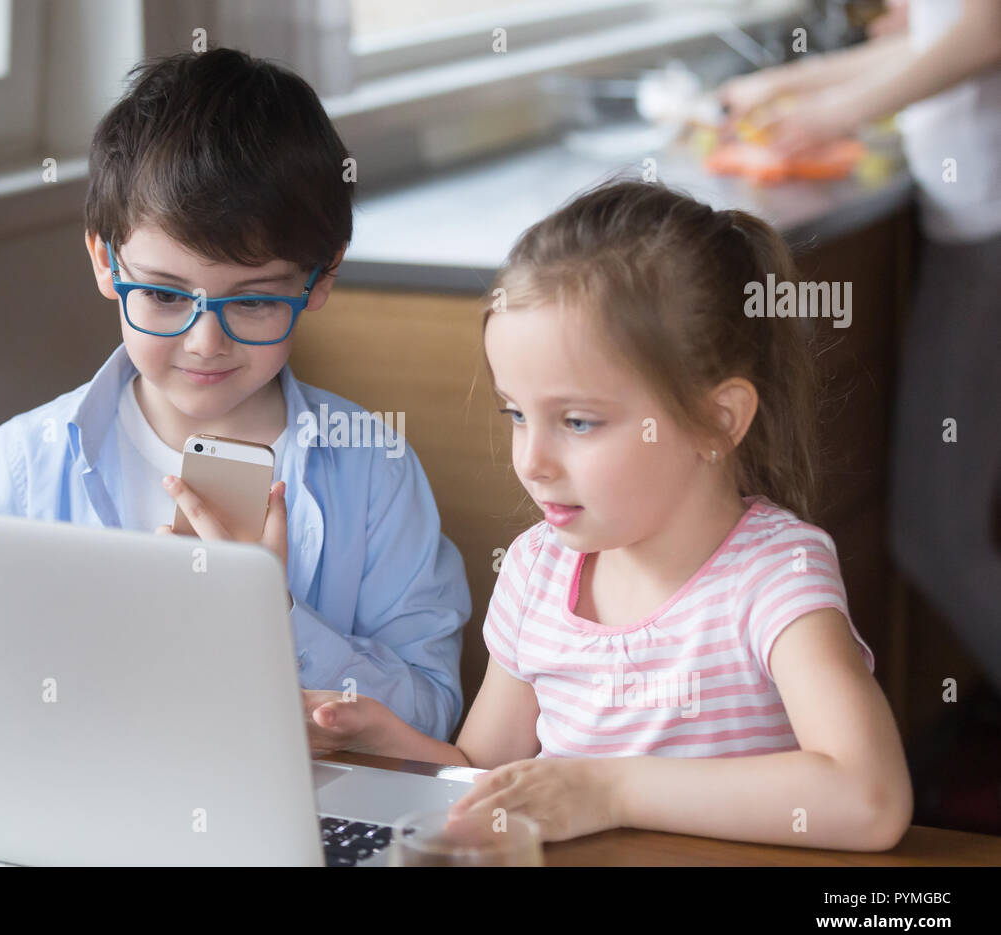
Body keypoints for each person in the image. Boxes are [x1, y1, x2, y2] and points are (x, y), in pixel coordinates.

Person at [0, 49, 471, 746]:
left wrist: (271, 618)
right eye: (163, 293)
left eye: (251, 303)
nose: (204, 342)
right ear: (104, 263)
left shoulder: (372, 469)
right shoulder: (26, 465)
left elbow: (433, 713)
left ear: (323, 278)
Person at [307, 180, 913, 851]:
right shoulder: (536, 571)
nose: (532, 460)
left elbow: (869, 800)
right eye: (515, 414)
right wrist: (385, 742)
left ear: (718, 420)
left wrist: (611, 790)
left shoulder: (774, 577)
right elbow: (486, 777)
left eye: (577, 421)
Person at [718, 0, 1001, 694]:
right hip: (976, 222)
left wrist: (830, 112)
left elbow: (985, 33)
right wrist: (805, 87)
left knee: (939, 534)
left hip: (989, 227)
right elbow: (944, 38)